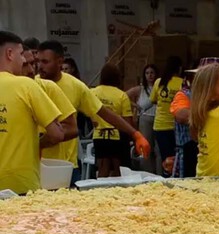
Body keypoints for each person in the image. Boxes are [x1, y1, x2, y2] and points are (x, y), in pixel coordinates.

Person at [36, 40, 150, 183]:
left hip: (68, 165)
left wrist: (135, 134)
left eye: (45, 62)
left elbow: (104, 112)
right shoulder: (32, 85)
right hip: (38, 164)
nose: (40, 66)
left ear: (60, 61)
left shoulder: (76, 86)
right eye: (38, 61)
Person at [0, 30, 64, 194]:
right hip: (21, 185)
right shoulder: (26, 86)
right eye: (21, 54)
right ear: (9, 54)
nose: (23, 60)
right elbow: (57, 134)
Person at [169, 57, 219, 178]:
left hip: (214, 154)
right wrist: (215, 116)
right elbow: (181, 115)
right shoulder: (183, 94)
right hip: (189, 155)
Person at [21, 48, 77, 148]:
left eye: (33, 63)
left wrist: (38, 143)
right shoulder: (6, 90)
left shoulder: (49, 87)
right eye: (24, 65)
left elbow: (72, 129)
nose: (31, 70)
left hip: (49, 157)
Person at [91, 64, 133, 177]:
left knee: (102, 169)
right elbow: (128, 122)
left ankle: (100, 186)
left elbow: (88, 111)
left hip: (99, 135)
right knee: (118, 170)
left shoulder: (93, 92)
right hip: (117, 137)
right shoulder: (122, 95)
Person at [150, 56, 183, 176]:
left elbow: (153, 100)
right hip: (176, 127)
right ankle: (175, 177)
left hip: (160, 126)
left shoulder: (159, 82)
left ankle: (166, 177)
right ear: (179, 68)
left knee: (165, 158)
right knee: (177, 158)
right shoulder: (182, 83)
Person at [127, 64, 159, 173]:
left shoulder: (159, 87)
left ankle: (159, 172)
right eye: (147, 73)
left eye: (152, 73)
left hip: (158, 118)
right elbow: (124, 95)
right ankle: (147, 171)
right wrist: (136, 106)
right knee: (146, 146)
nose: (150, 75)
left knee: (158, 149)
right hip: (145, 118)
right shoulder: (140, 89)